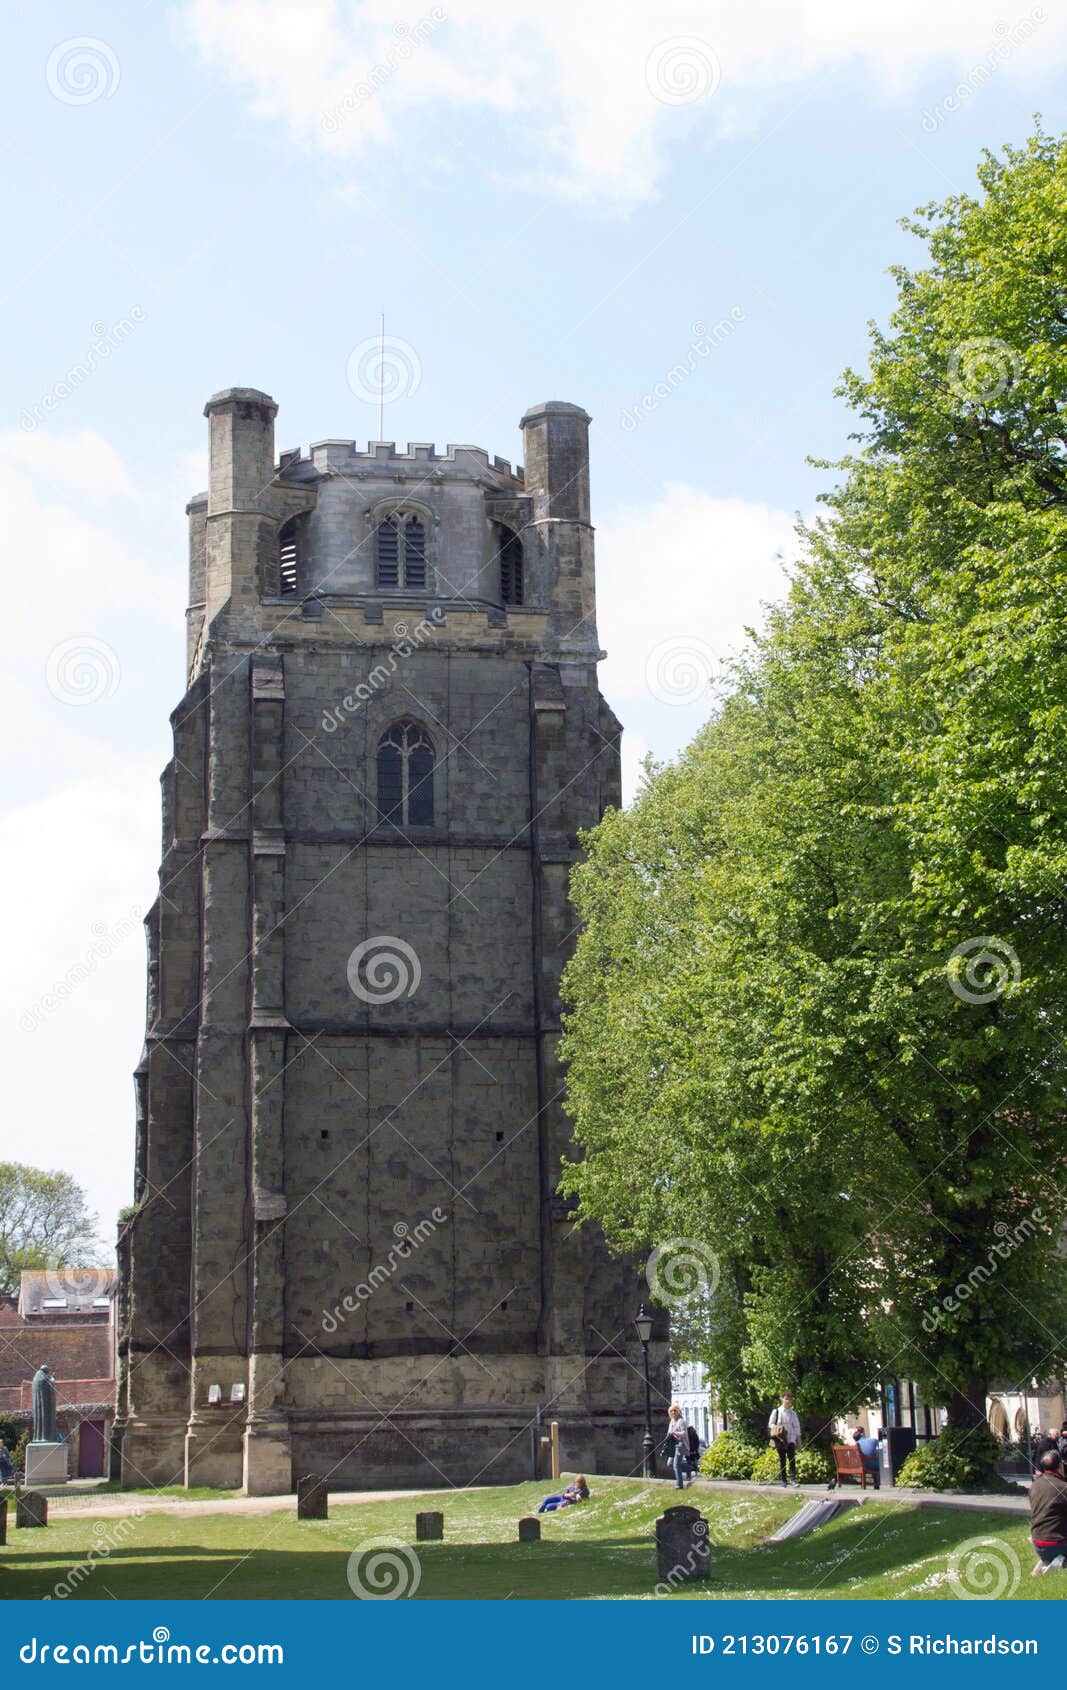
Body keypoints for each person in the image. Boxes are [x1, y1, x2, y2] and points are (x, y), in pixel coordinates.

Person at [1029, 1448, 1067, 1574]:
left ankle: (1046, 1562)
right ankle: (1061, 1561)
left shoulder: (1034, 1485)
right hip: (1057, 1543)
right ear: (1060, 1466)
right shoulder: (1063, 1487)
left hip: (1037, 1544)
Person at [768, 1391, 802, 1487]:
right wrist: (778, 1428)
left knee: (792, 1459)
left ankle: (793, 1480)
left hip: (790, 1439)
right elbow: (770, 1424)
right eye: (786, 1399)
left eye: (789, 1399)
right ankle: (784, 1481)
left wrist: (799, 1442)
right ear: (782, 1399)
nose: (787, 1401)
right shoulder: (776, 1411)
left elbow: (797, 1428)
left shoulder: (793, 1413)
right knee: (782, 1460)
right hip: (780, 1439)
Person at [662, 1403, 691, 1489]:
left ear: (678, 1411)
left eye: (675, 1410)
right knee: (670, 1463)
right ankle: (689, 1468)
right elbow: (669, 1432)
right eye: (671, 1411)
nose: (673, 1412)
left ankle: (679, 1485)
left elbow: (684, 1433)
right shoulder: (671, 1421)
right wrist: (668, 1437)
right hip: (673, 1445)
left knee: (676, 1464)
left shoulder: (681, 1421)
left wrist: (676, 1433)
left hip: (681, 1444)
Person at [852, 1425, 881, 1489]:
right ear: (862, 1434)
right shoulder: (872, 1440)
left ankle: (876, 1483)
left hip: (862, 1465)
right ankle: (877, 1483)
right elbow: (882, 1444)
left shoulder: (855, 1445)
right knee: (879, 1461)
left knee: (872, 1459)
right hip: (870, 1465)